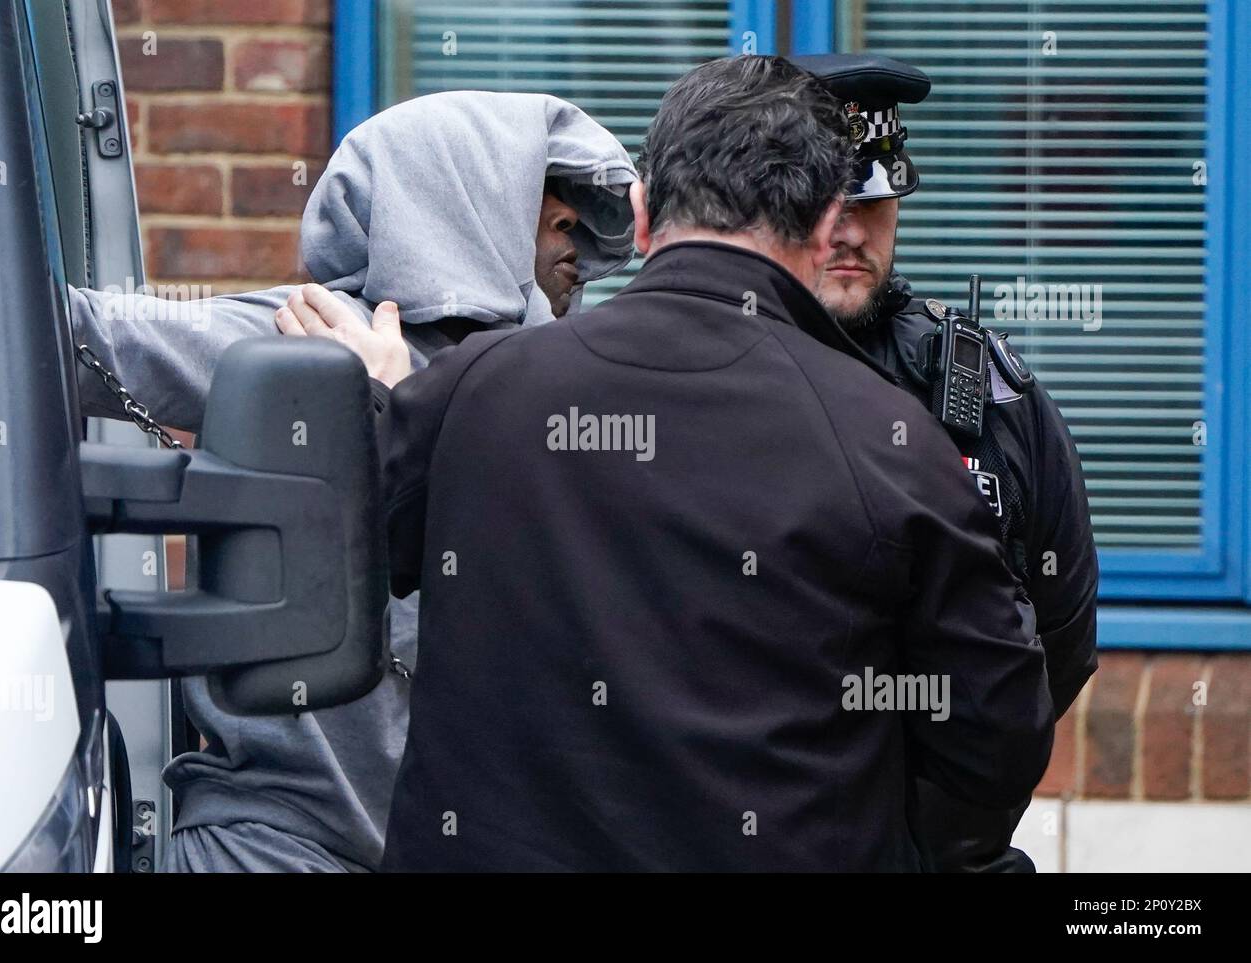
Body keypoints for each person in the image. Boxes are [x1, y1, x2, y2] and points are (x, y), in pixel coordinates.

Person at [286, 54, 1055, 871]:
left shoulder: (472, 395)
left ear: (644, 214)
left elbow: (340, 567)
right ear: (830, 223)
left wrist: (379, 404)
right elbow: (996, 731)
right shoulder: (895, 445)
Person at [67, 90, 637, 871]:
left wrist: (408, 409)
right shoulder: (307, 337)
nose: (577, 251)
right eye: (557, 222)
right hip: (272, 841)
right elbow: (84, 337)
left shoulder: (570, 392)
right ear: (465, 205)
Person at [788, 53, 1099, 872]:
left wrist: (941, 824)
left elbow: (1056, 640)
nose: (850, 229)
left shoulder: (990, 393)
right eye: (824, 202)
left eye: (873, 201)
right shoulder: (703, 375)